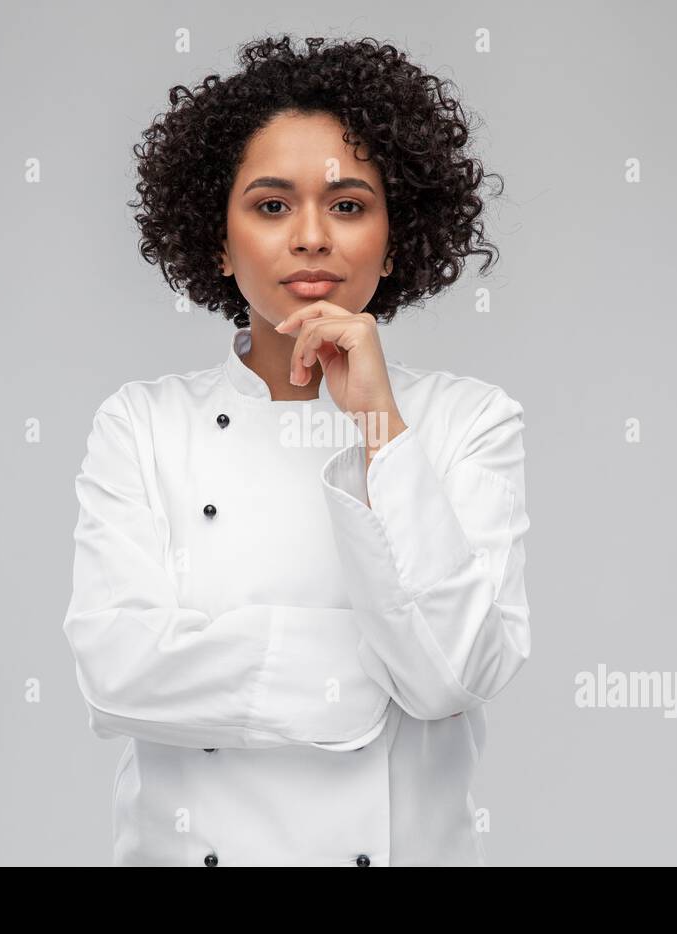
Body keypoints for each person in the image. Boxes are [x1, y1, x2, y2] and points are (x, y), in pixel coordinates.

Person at [62, 34, 531, 866]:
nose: (311, 237)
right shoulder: (141, 424)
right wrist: (369, 681)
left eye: (349, 206)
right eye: (271, 206)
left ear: (396, 239)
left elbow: (452, 675)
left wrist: (380, 422)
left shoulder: (467, 421)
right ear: (217, 236)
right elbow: (114, 670)